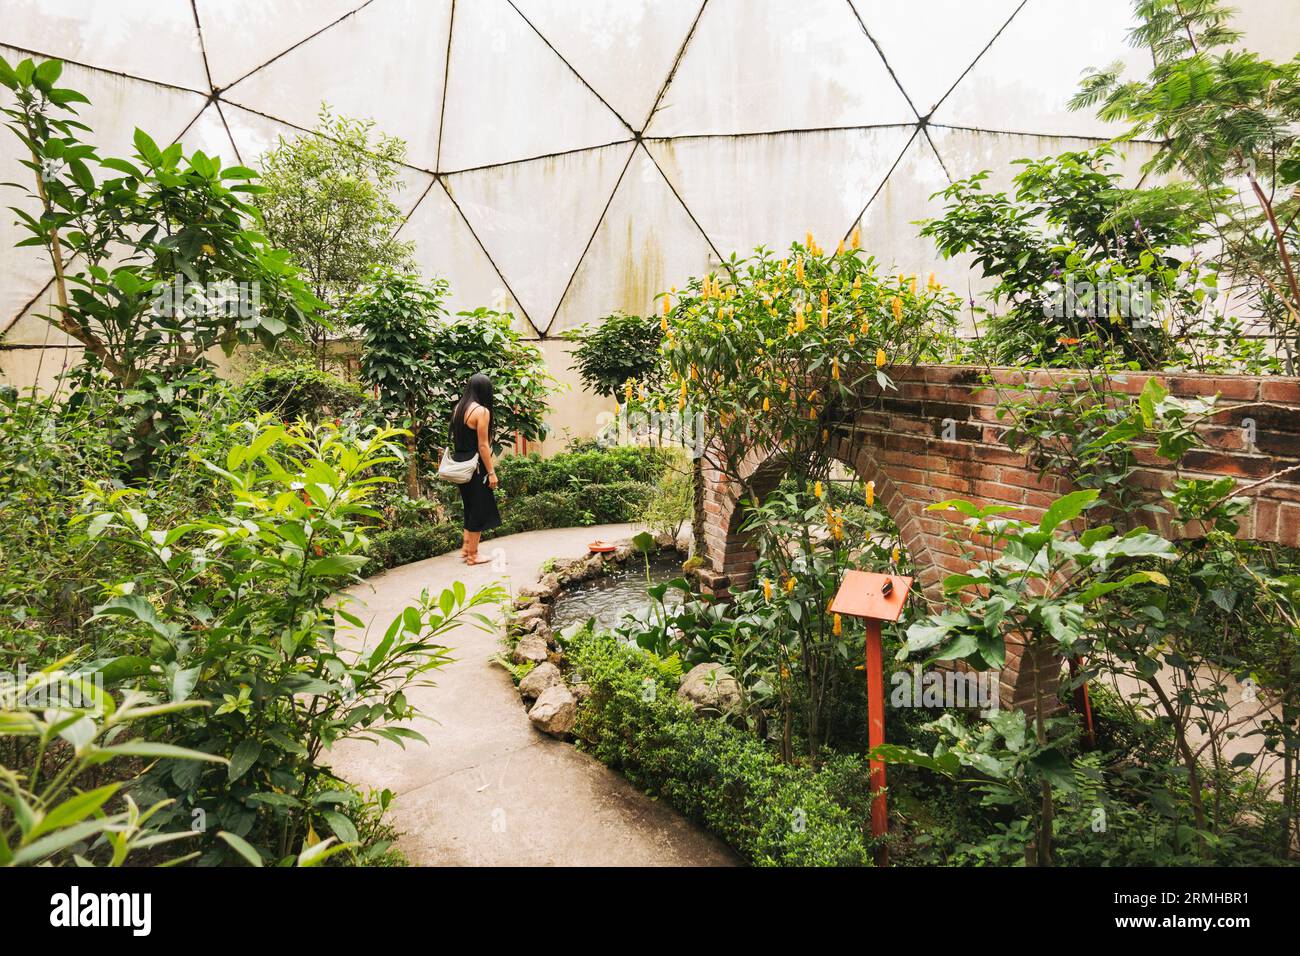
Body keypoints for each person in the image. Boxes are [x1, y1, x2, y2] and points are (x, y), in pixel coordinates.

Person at [449, 373, 501, 565]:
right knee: (479, 508)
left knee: (469, 506)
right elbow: (483, 446)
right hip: (475, 465)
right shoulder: (481, 411)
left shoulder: (458, 409)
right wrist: (492, 472)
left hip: (460, 463)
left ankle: (465, 548)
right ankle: (473, 555)